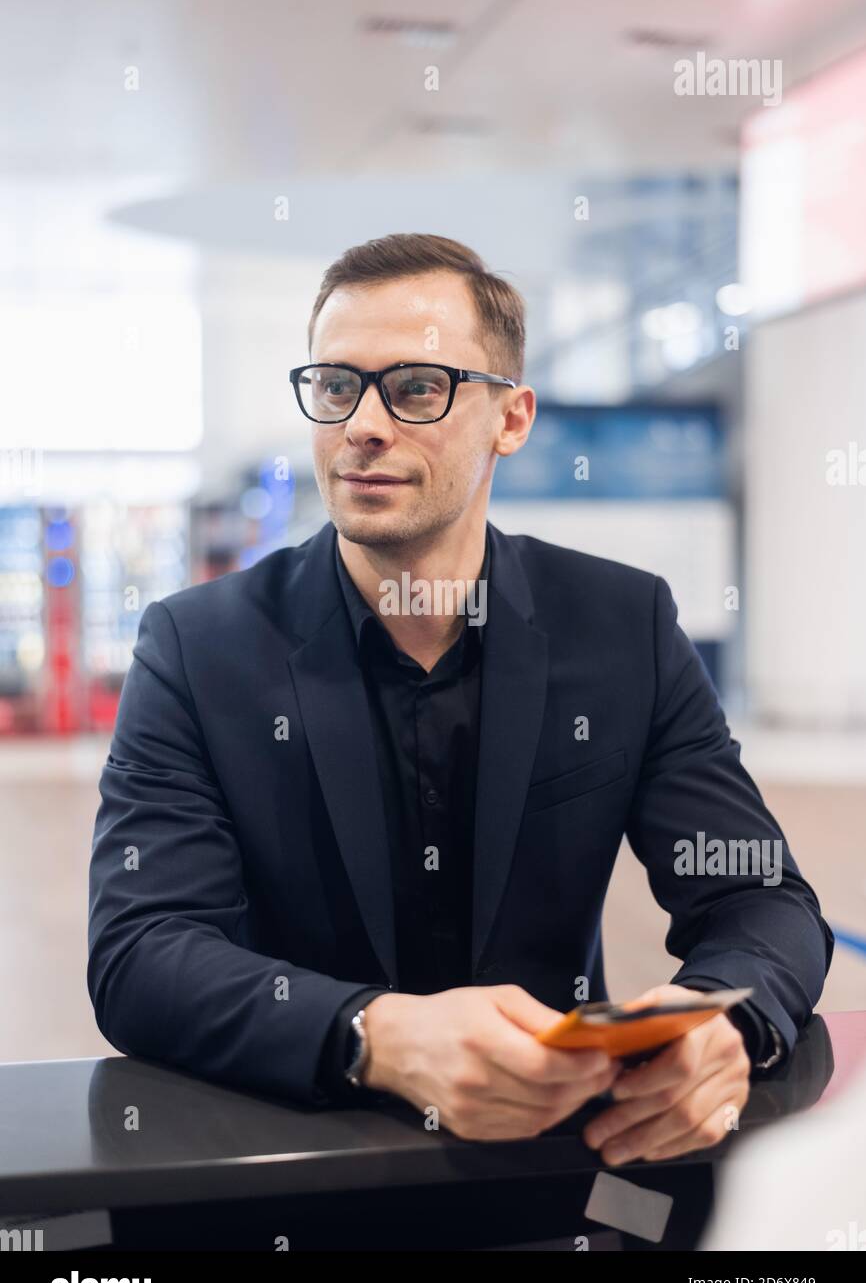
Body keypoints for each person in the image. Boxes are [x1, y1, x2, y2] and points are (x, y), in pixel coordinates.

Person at [88, 233, 834, 1162]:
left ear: (511, 419)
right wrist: (374, 1035)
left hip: (553, 1168)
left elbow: (760, 898)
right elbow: (142, 953)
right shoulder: (200, 647)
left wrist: (721, 1022)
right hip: (289, 1173)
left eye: (415, 389)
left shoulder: (619, 627)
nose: (363, 423)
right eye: (335, 386)